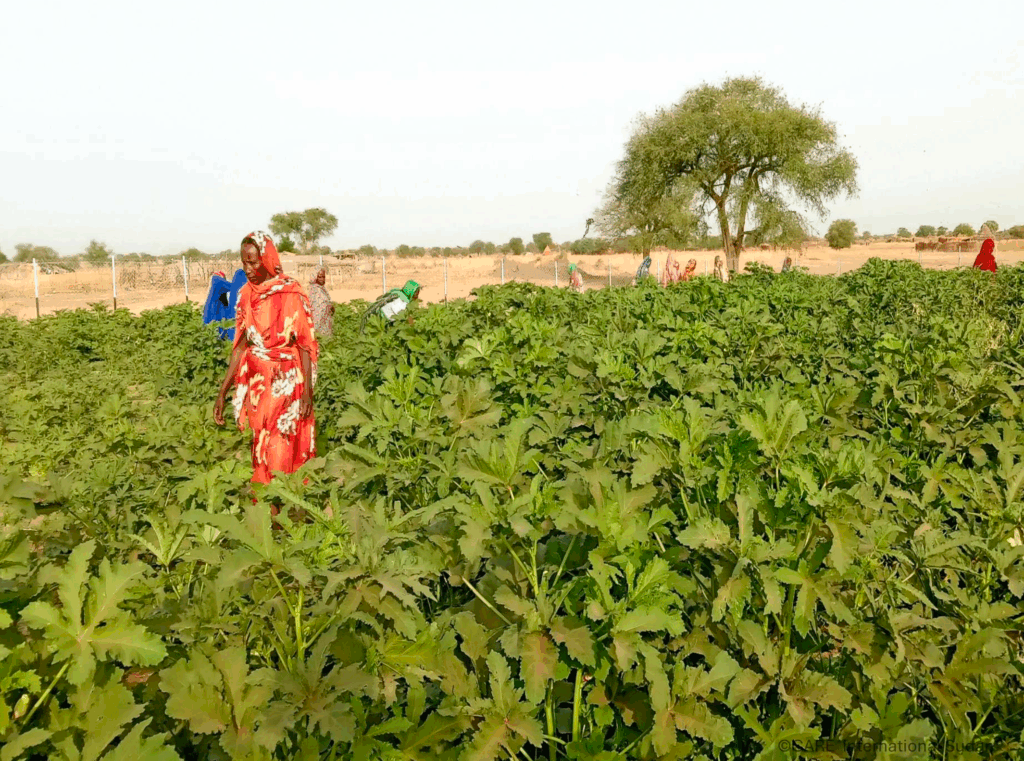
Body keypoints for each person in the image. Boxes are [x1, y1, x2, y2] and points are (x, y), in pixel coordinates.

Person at [213, 231, 318, 485]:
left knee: (281, 447)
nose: (247, 269)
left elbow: (305, 345)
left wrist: (307, 393)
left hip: (287, 384)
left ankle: (288, 508)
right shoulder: (246, 295)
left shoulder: (291, 293)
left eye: (253, 261)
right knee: (261, 445)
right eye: (243, 262)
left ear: (267, 258)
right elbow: (240, 346)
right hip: (258, 386)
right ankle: (265, 506)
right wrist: (222, 391)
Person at [203, 269, 248, 340]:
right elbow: (234, 287)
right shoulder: (219, 283)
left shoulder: (215, 287)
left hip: (215, 317)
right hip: (220, 317)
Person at [308, 268, 335, 338]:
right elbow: (318, 306)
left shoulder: (322, 289)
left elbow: (326, 303)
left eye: (324, 277)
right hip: (318, 321)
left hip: (325, 320)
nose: (322, 279)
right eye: (320, 277)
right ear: (315, 277)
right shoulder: (315, 290)